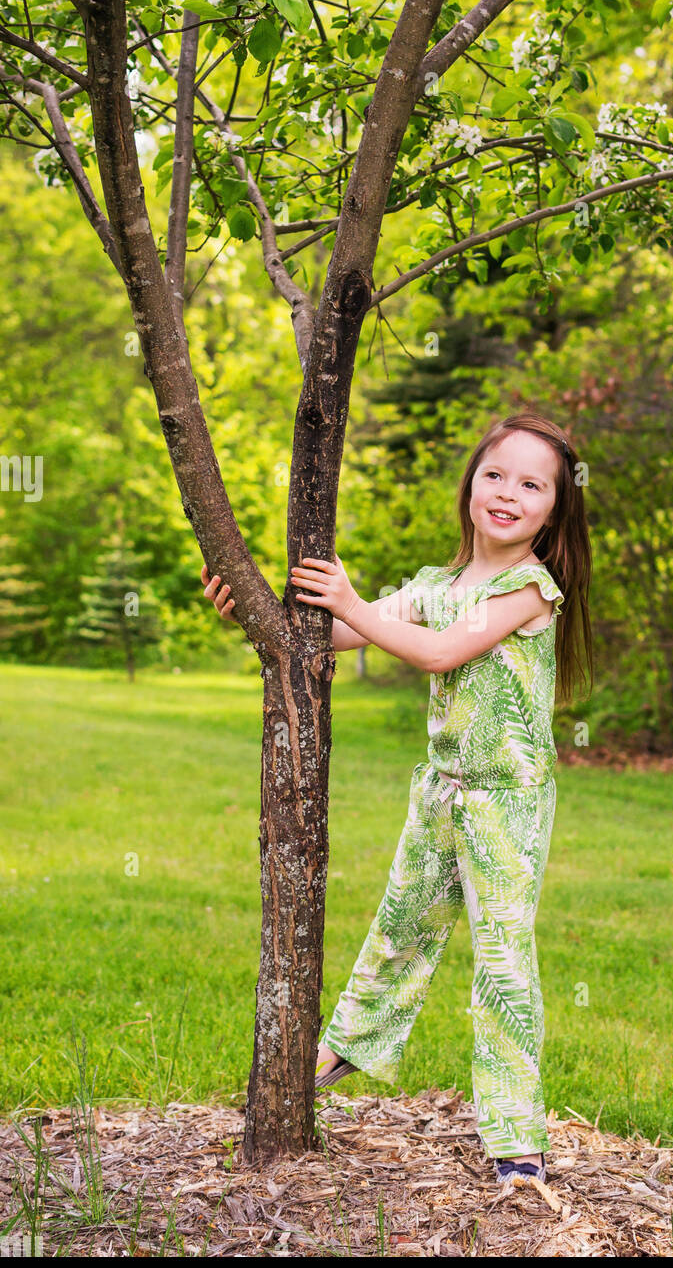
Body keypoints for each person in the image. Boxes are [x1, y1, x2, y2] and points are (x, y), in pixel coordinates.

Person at [202, 410, 593, 1185]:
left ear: (554, 509)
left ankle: (517, 1135)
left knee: (503, 963)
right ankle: (339, 1049)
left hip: (507, 805)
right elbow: (345, 631)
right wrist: (250, 607)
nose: (507, 492)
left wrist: (350, 603)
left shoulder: (530, 590)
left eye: (531, 483)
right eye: (495, 474)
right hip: (441, 792)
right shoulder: (438, 585)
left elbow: (439, 650)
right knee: (400, 925)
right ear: (471, 485)